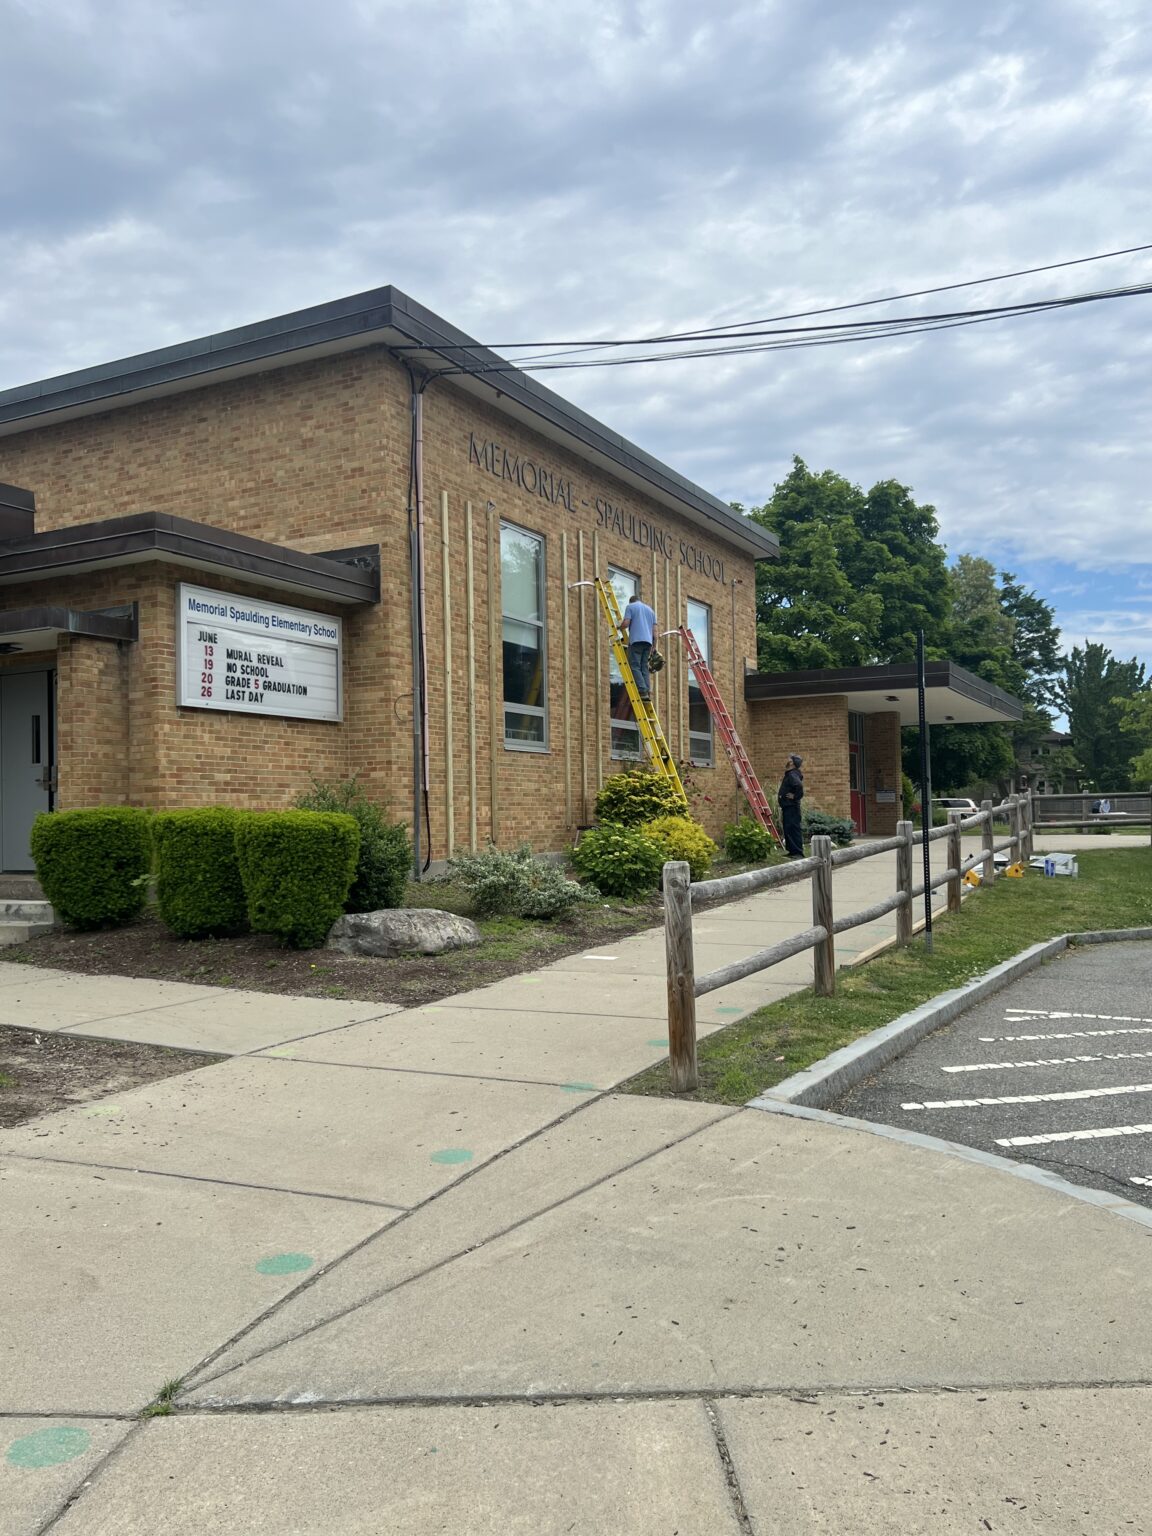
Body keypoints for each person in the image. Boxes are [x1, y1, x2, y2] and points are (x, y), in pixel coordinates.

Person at [619, 585, 658, 700]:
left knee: (635, 666)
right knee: (644, 667)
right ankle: (647, 690)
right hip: (648, 643)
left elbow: (626, 623)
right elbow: (655, 632)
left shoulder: (630, 607)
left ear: (631, 601)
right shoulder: (650, 611)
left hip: (636, 641)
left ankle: (642, 690)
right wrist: (654, 646)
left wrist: (619, 627)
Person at [778, 752, 805, 856]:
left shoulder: (793, 774)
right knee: (788, 828)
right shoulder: (791, 773)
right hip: (788, 806)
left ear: (792, 762)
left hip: (791, 807)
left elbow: (799, 786)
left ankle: (797, 852)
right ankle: (792, 851)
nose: (787, 759)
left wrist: (795, 796)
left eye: (789, 758)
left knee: (793, 828)